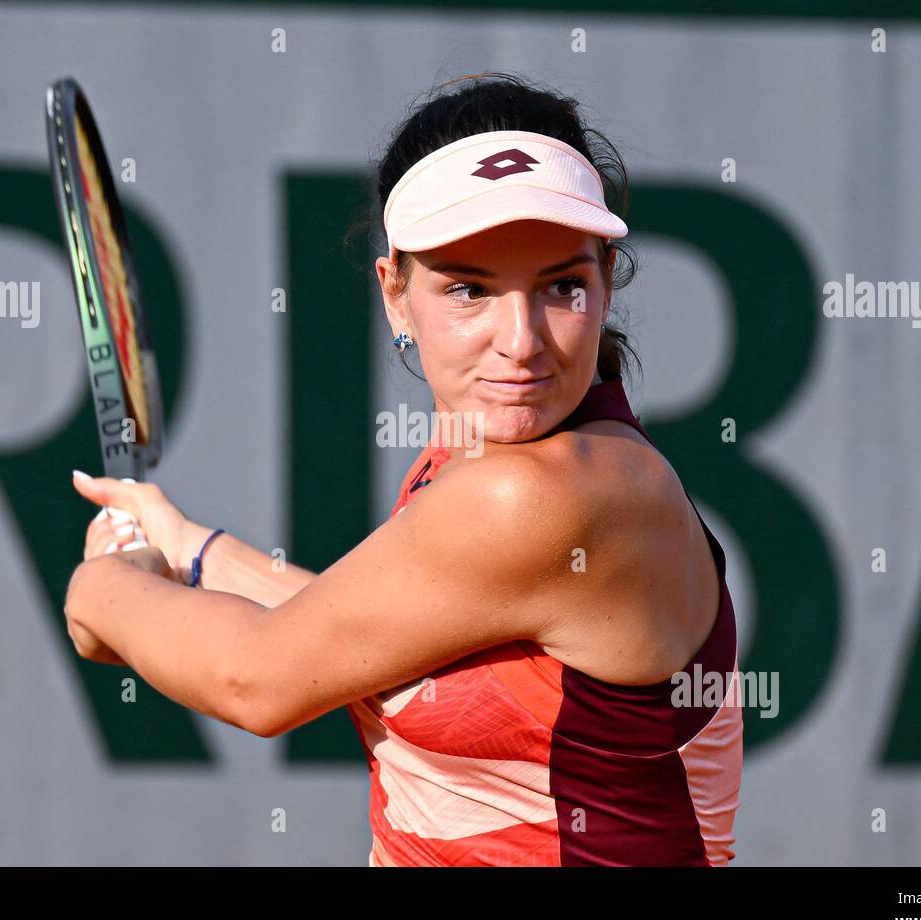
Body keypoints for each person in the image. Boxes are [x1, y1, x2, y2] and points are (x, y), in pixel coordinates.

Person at [64, 73, 741, 866]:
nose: (520, 341)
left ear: (605, 278)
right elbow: (359, 630)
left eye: (563, 284)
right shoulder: (488, 459)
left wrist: (100, 590)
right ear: (395, 294)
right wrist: (186, 545)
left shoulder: (535, 495)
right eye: (468, 289)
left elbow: (255, 680)